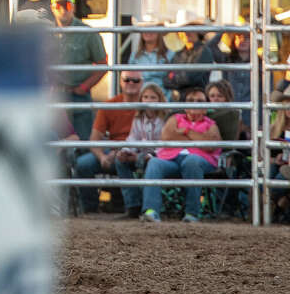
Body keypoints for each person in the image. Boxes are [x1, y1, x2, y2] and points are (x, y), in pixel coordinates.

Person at [140, 87, 221, 223]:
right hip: (171, 159)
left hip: (199, 161)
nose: (194, 104)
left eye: (199, 101)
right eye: (190, 100)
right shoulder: (174, 118)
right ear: (184, 106)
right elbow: (166, 138)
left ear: (206, 108)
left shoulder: (211, 125)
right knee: (154, 162)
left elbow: (210, 145)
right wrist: (198, 138)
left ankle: (191, 214)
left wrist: (185, 131)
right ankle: (151, 211)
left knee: (191, 161)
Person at [71, 69, 142, 215]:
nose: (130, 83)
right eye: (127, 79)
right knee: (82, 164)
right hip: (113, 149)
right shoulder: (109, 105)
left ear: (142, 83)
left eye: (135, 80)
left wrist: (122, 151)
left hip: (140, 149)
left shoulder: (149, 105)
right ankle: (90, 210)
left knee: (121, 160)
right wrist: (102, 157)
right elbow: (94, 140)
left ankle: (133, 208)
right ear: (120, 82)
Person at [51, 0, 107, 141]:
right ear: (52, 8)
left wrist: (84, 87)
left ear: (73, 7)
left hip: (79, 95)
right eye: (58, 6)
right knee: (55, 141)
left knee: (83, 143)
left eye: (67, 5)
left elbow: (103, 65)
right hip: (53, 95)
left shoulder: (88, 33)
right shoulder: (46, 32)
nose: (63, 10)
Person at [115, 83, 168, 218]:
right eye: (145, 97)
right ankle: (133, 205)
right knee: (120, 161)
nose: (148, 101)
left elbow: (166, 144)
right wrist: (125, 151)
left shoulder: (166, 118)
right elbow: (133, 138)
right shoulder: (138, 118)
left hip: (160, 157)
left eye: (153, 97)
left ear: (160, 99)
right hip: (141, 154)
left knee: (152, 163)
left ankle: (148, 208)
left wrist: (149, 156)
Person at [163, 19, 216, 101]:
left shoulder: (205, 51)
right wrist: (182, 77)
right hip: (180, 101)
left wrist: (175, 77)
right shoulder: (179, 53)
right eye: (183, 30)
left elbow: (192, 77)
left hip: (197, 100)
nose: (186, 33)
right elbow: (166, 80)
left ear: (199, 32)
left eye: (190, 29)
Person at [127, 24, 170, 90]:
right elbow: (130, 78)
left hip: (163, 95)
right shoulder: (134, 55)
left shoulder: (169, 54)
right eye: (145, 28)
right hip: (140, 96)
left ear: (159, 32)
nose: (148, 31)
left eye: (152, 28)